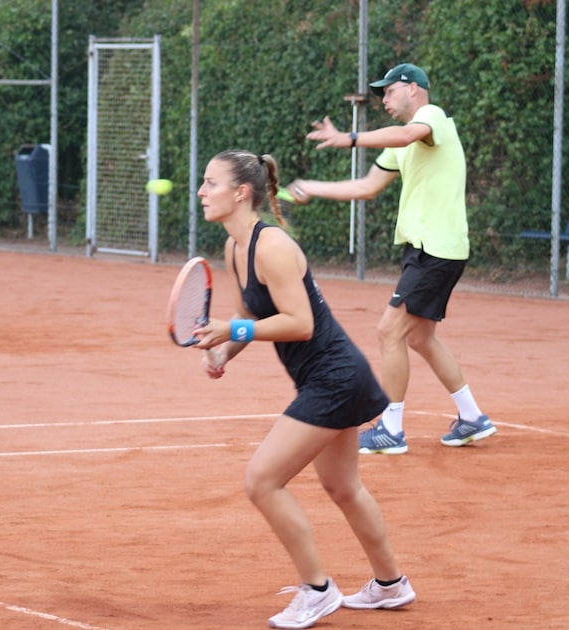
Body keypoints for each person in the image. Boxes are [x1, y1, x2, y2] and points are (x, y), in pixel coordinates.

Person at [194, 149, 415, 628]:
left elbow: (299, 323)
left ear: (241, 192)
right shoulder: (236, 249)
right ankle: (391, 584)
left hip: (334, 376)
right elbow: (251, 318)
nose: (201, 191)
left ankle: (317, 590)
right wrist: (221, 351)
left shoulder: (272, 246)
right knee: (343, 486)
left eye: (210, 183)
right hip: (332, 376)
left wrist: (232, 332)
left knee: (262, 480)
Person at [287, 63, 496, 455]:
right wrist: (312, 187)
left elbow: (405, 134)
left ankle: (391, 428)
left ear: (414, 89)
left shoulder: (431, 118)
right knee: (419, 336)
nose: (383, 99)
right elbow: (367, 187)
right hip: (425, 249)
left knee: (389, 330)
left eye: (389, 91)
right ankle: (472, 418)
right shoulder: (402, 145)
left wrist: (348, 138)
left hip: (436, 249)